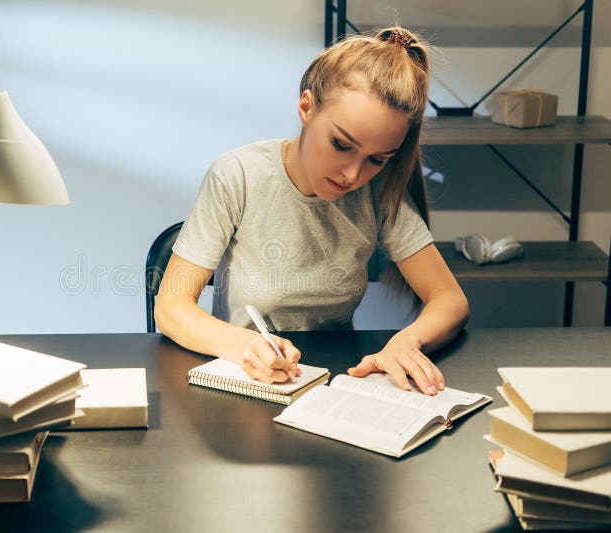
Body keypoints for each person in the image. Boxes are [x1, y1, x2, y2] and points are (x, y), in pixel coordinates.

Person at [154, 27, 469, 396]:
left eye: (377, 160)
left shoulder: (379, 191)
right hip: (247, 379)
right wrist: (242, 346)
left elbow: (450, 300)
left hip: (333, 380)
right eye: (341, 144)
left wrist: (407, 341)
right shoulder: (238, 175)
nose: (353, 175)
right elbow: (171, 306)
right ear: (306, 107)